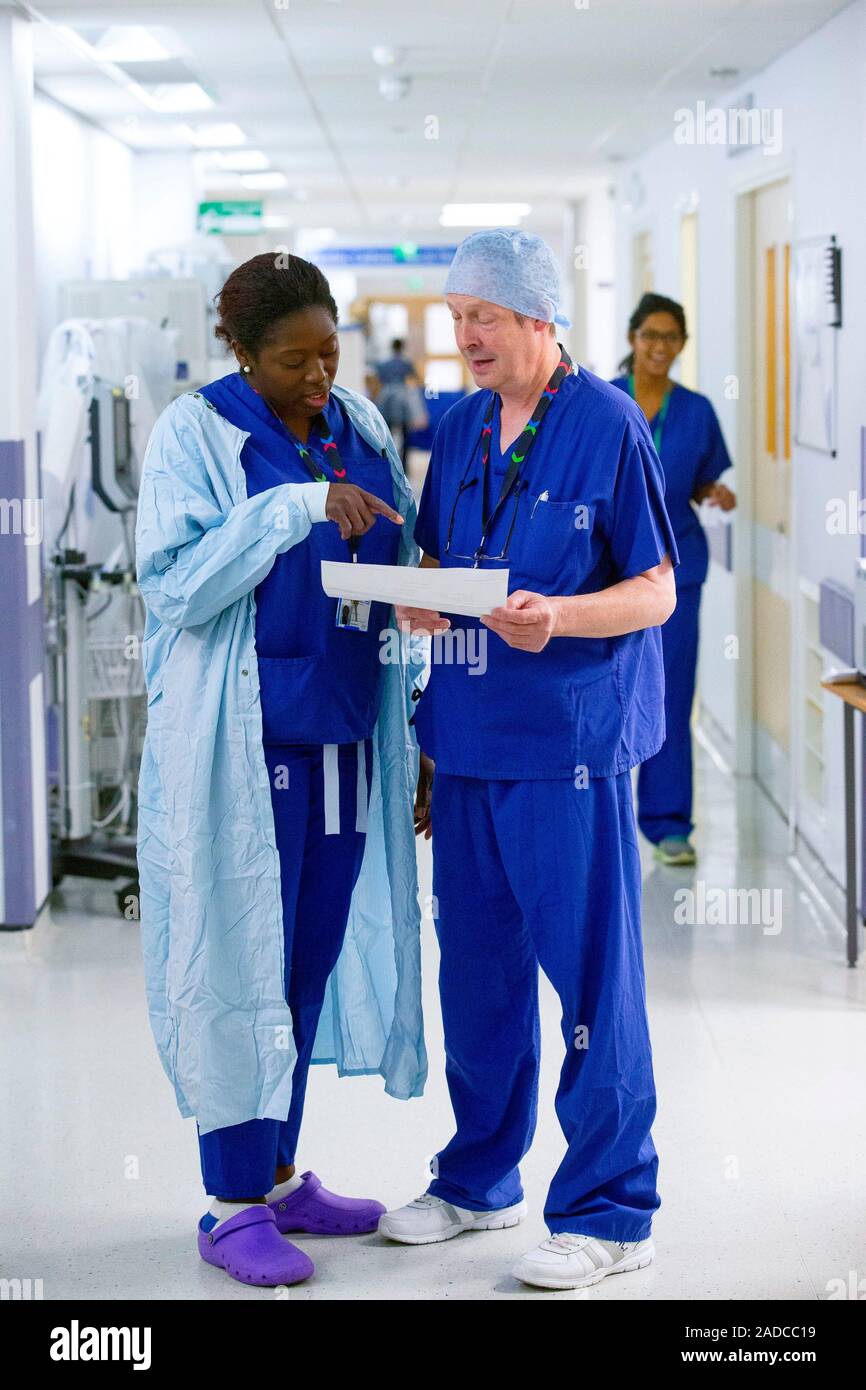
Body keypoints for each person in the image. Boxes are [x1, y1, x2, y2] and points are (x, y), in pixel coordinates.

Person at [379, 229, 679, 1291]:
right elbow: (436, 560)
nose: (465, 336)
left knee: (589, 981)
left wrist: (559, 615)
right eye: (458, 317)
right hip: (464, 745)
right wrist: (416, 597)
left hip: (569, 750)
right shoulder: (457, 428)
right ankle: (477, 1179)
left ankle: (610, 1210)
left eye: (486, 318)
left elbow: (652, 587)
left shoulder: (604, 426)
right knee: (479, 975)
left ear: (540, 319)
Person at [135, 253, 428, 1289]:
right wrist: (291, 509)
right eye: (293, 359)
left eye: (328, 349)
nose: (318, 374)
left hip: (348, 735)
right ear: (243, 354)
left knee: (302, 965)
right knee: (240, 964)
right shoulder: (197, 434)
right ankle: (227, 1204)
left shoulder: (358, 423)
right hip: (246, 747)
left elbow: (395, 564)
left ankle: (276, 1168)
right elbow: (173, 585)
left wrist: (422, 710)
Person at [611, 293, 736, 865]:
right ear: (633, 338)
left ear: (682, 345)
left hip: (677, 570)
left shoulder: (697, 410)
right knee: (604, 692)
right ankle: (602, 818)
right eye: (649, 336)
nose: (659, 347)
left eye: (671, 338)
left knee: (669, 694)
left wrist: (713, 492)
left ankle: (667, 824)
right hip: (605, 574)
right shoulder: (602, 403)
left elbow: (698, 478)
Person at [371, 338, 421, 469]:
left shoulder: (383, 364)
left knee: (386, 435)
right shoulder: (406, 363)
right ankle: (404, 467)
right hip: (402, 398)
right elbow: (416, 378)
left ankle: (387, 465)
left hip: (386, 397)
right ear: (402, 347)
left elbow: (377, 380)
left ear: (391, 347)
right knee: (405, 435)